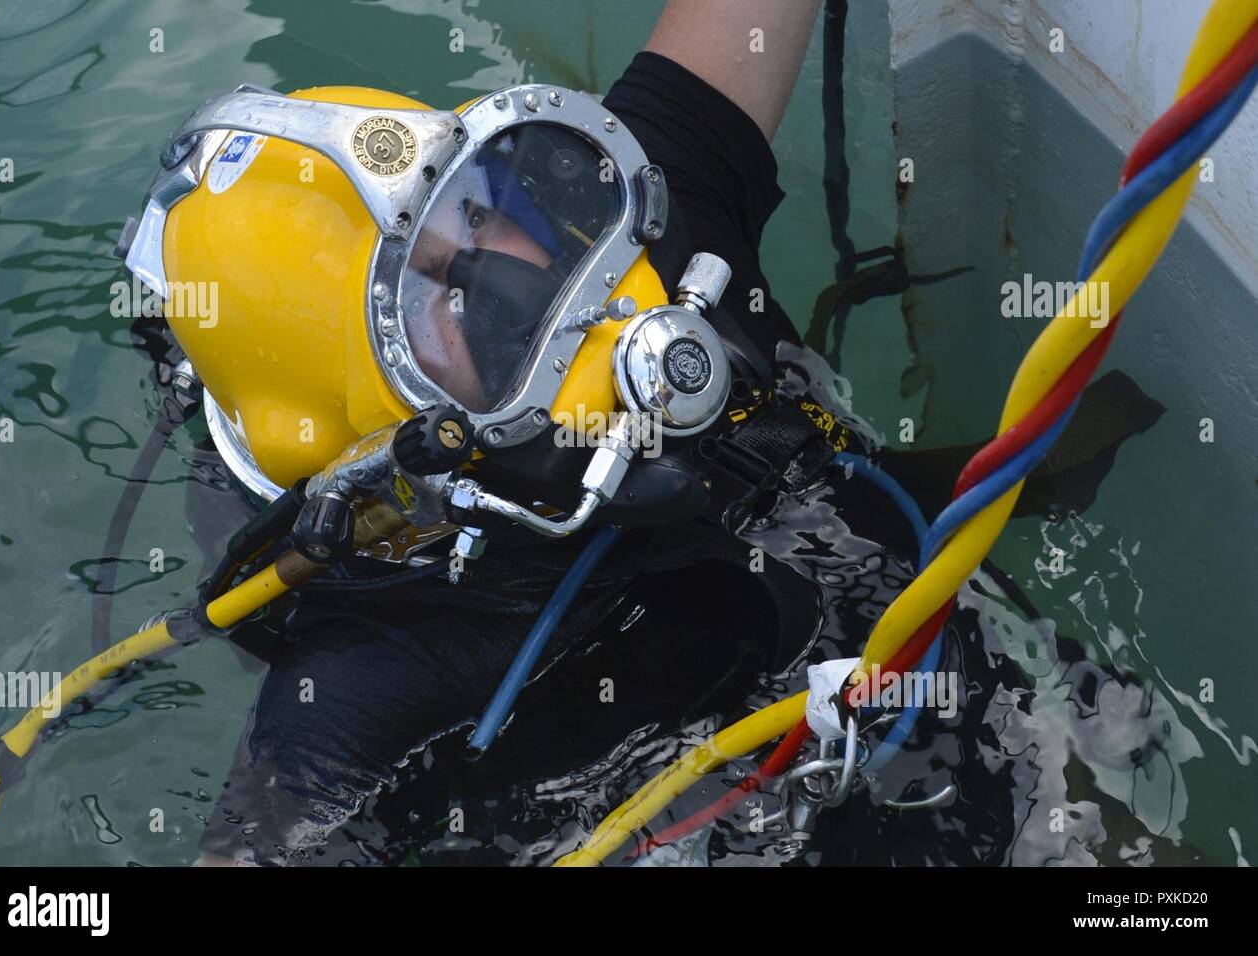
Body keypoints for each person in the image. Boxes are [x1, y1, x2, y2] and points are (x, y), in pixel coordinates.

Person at [115, 0, 1156, 865]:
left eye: (476, 206)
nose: (518, 275)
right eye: (430, 295)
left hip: (987, 693)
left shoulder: (654, 210)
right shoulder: (362, 679)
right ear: (388, 443)